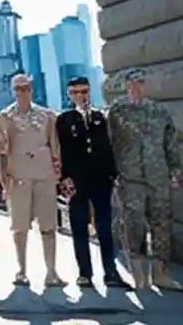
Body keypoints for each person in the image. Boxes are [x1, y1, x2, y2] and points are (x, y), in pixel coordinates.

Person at [107, 67, 183, 292]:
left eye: (140, 83)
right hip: (130, 178)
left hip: (157, 175)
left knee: (161, 224)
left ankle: (161, 274)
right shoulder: (117, 112)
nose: (136, 87)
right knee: (133, 225)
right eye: (132, 83)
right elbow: (110, 144)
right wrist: (112, 174)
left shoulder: (159, 112)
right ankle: (139, 275)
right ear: (126, 86)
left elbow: (170, 144)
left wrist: (175, 171)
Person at [57, 76, 129, 289]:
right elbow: (62, 151)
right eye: (76, 92)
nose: (81, 96)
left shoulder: (100, 117)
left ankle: (111, 272)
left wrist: (112, 174)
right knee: (79, 227)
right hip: (77, 181)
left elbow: (108, 147)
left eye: (85, 92)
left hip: (100, 179)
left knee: (105, 227)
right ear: (69, 95)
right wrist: (64, 178)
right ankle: (85, 273)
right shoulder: (64, 119)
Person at [0, 73, 65, 288]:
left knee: (49, 226)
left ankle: (51, 271)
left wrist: (57, 171)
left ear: (31, 89)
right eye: (18, 89)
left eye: (26, 88)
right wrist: (3, 176)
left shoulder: (47, 115)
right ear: (12, 91)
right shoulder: (4, 118)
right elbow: (0, 150)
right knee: (20, 227)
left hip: (44, 175)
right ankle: (21, 270)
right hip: (19, 175)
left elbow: (55, 146)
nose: (22, 92)